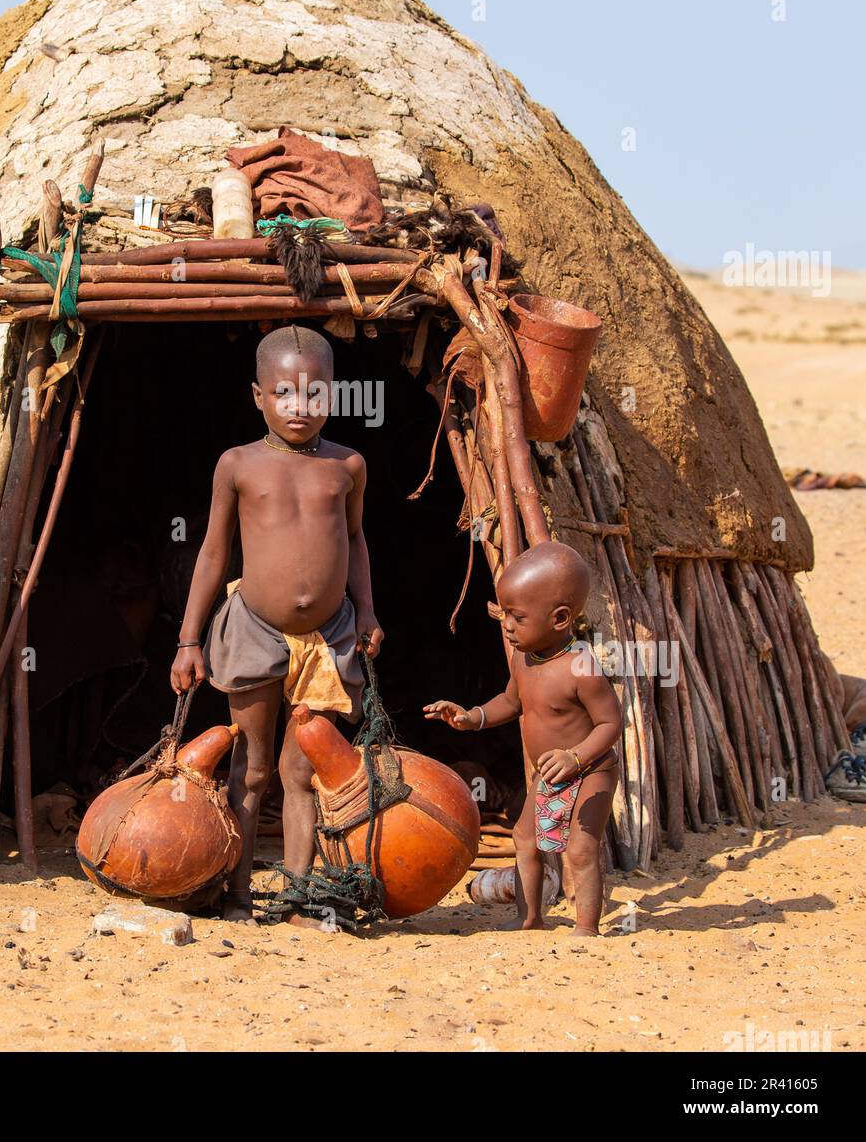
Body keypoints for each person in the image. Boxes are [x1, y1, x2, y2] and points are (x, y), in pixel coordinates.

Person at [170, 325, 384, 925]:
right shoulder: (238, 465)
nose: (300, 406)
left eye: (315, 393)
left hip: (330, 636)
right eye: (284, 393)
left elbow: (356, 538)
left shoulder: (347, 466)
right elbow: (213, 552)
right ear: (258, 396)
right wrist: (189, 640)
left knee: (302, 768)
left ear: (333, 395)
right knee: (252, 767)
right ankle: (235, 893)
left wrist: (366, 610)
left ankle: (296, 893)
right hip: (254, 629)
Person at [424, 541, 620, 935]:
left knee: (580, 848)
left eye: (517, 617)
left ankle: (586, 927)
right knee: (525, 838)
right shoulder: (523, 660)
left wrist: (575, 758)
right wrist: (472, 717)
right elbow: (511, 702)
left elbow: (611, 725)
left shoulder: (581, 667)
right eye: (504, 616)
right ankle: (530, 917)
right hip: (549, 775)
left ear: (560, 617)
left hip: (590, 772)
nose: (508, 626)